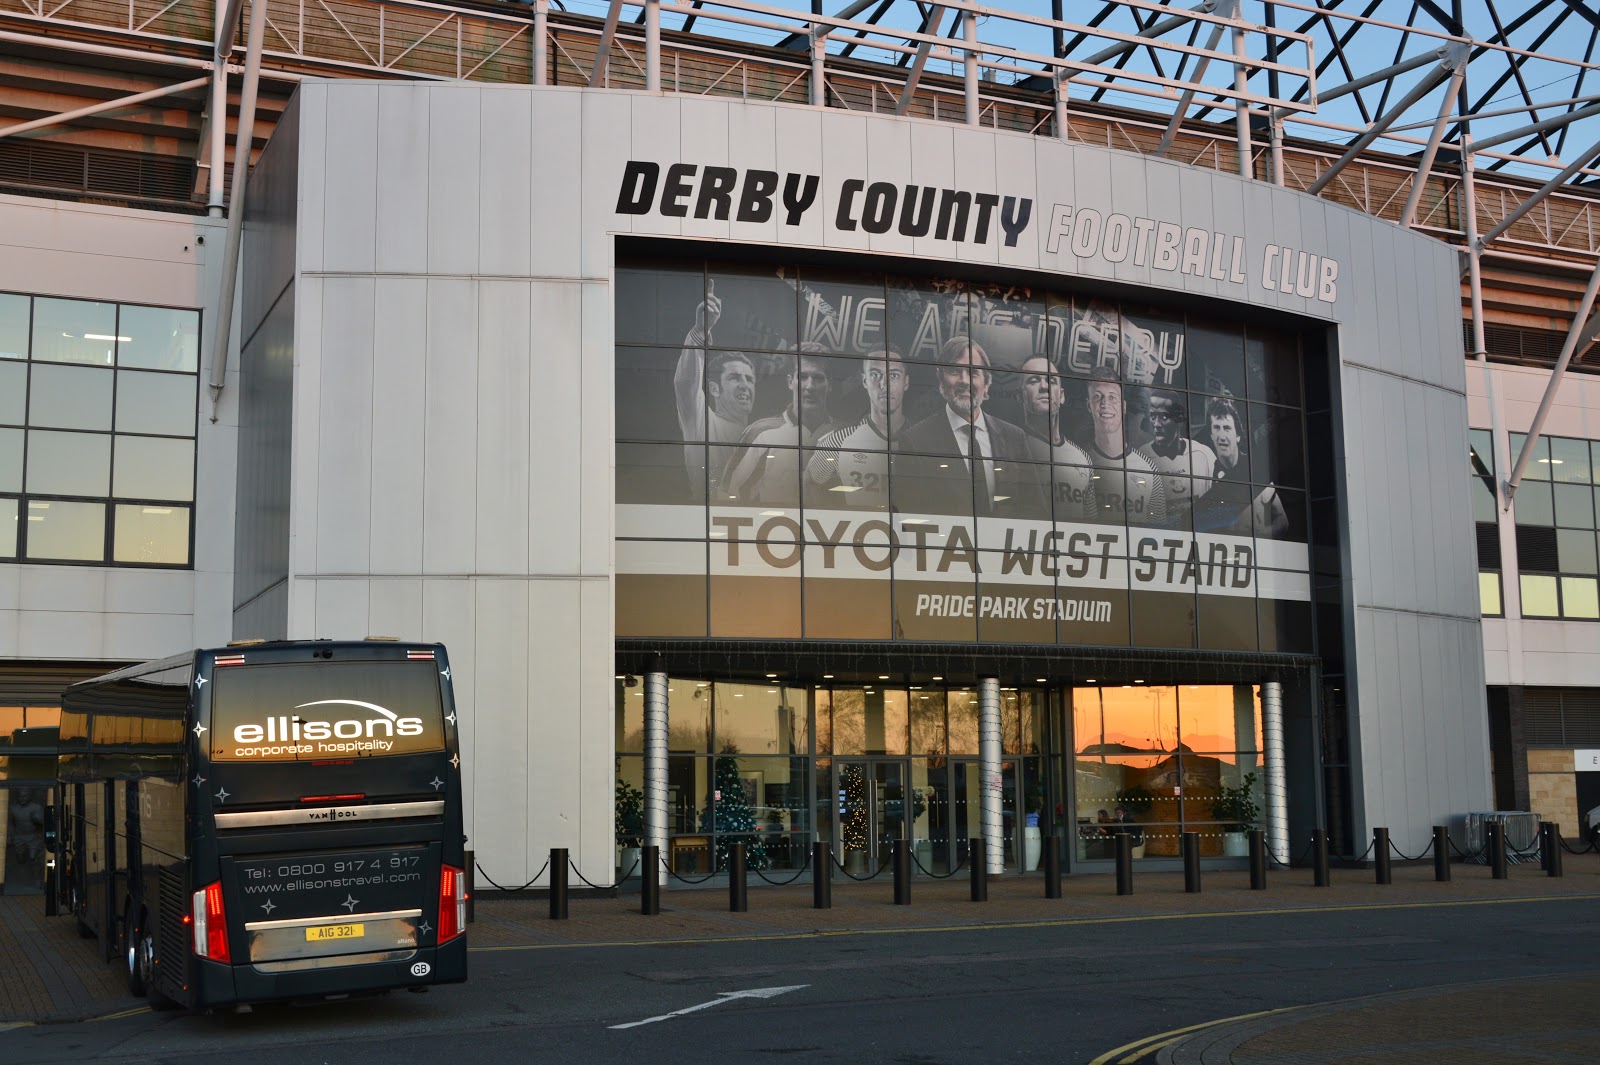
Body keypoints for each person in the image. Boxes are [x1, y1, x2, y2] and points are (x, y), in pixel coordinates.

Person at [896, 338, 1041, 517]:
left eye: (973, 373)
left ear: (986, 384)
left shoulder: (1015, 437)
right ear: (941, 380)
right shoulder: (914, 442)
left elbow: (1036, 510)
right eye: (955, 371)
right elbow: (907, 516)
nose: (964, 381)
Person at [719, 343, 835, 504]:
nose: (810, 386)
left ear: (830, 384)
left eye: (818, 378)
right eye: (802, 377)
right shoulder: (760, 433)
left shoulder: (846, 433)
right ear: (790, 382)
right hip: (772, 527)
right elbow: (726, 493)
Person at [674, 279, 756, 497]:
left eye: (750, 379)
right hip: (706, 522)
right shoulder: (701, 422)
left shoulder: (761, 434)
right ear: (715, 388)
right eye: (735, 378)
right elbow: (685, 384)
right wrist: (700, 333)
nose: (745, 385)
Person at [805, 348, 910, 509]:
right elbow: (809, 481)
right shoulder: (839, 440)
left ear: (906, 382)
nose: (884, 384)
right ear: (864, 381)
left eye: (894, 375)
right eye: (875, 375)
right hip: (861, 532)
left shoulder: (922, 440)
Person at [1077, 366, 1167, 527]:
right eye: (1097, 397)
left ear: (1123, 407)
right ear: (1088, 405)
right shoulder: (1077, 462)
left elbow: (1159, 527)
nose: (1105, 403)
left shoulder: (1148, 468)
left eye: (1112, 397)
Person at [1195, 395, 1289, 538]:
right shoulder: (1205, 473)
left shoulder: (1254, 469)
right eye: (1217, 428)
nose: (1221, 436)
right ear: (1211, 435)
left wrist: (1263, 535)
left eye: (1227, 428)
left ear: (1238, 435)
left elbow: (1282, 520)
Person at [1019, 355, 1097, 522]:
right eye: (1034, 381)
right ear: (1020, 395)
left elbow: (1091, 521)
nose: (1044, 387)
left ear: (1061, 396)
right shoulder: (1009, 448)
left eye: (1051, 381)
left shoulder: (1082, 458)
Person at [1138, 390, 1216, 528]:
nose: (1156, 424)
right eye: (1153, 416)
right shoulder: (1140, 459)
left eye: (1163, 416)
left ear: (1179, 419)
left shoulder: (1204, 455)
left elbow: (1217, 505)